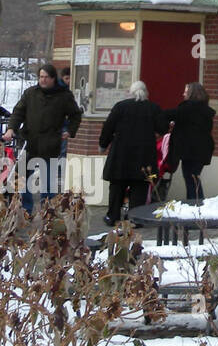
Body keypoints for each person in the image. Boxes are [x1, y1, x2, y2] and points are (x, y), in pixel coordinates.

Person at [3, 63, 81, 213]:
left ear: (53, 78)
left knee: (49, 180)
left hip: (51, 143)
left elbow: (75, 115)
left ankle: (48, 210)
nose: (43, 80)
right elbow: (18, 112)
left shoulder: (64, 96)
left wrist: (70, 131)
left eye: (46, 77)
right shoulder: (30, 93)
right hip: (30, 141)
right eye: (41, 77)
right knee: (21, 178)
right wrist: (11, 128)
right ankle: (25, 209)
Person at [98, 81, 166, 225]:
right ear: (146, 93)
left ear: (130, 92)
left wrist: (103, 145)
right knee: (140, 187)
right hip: (144, 155)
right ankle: (135, 218)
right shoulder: (153, 108)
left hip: (120, 155)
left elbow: (108, 127)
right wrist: (155, 134)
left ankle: (113, 216)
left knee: (117, 187)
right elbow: (163, 126)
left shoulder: (121, 107)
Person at [163, 82, 215, 200]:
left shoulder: (188, 108)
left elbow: (170, 114)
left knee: (191, 180)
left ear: (191, 94)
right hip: (203, 149)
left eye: (186, 92)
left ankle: (195, 205)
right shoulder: (204, 110)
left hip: (190, 151)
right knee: (194, 178)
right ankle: (196, 204)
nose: (183, 94)